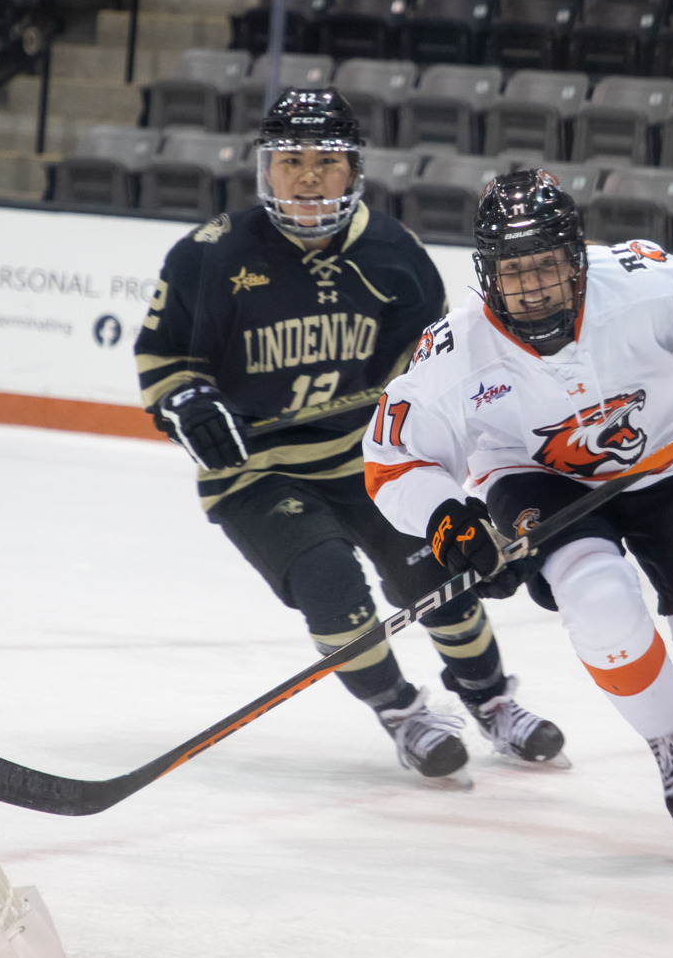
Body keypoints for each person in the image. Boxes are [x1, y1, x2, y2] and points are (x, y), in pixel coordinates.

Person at [361, 169, 673, 848]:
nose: (533, 286)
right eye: (514, 272)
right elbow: (391, 459)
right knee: (599, 598)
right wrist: (446, 516)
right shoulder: (456, 350)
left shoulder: (639, 281)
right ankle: (670, 737)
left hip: (668, 457)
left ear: (578, 257)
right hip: (534, 476)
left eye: (547, 265)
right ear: (487, 275)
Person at [132, 90, 565, 784]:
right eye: (291, 161)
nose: (308, 177)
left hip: (370, 463)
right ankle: (403, 714)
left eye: (326, 161)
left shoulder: (395, 255)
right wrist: (187, 402)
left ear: (354, 171)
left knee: (441, 576)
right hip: (257, 477)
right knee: (329, 582)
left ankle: (491, 701)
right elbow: (162, 359)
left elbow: (432, 378)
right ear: (264, 171)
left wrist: (467, 485)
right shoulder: (207, 257)